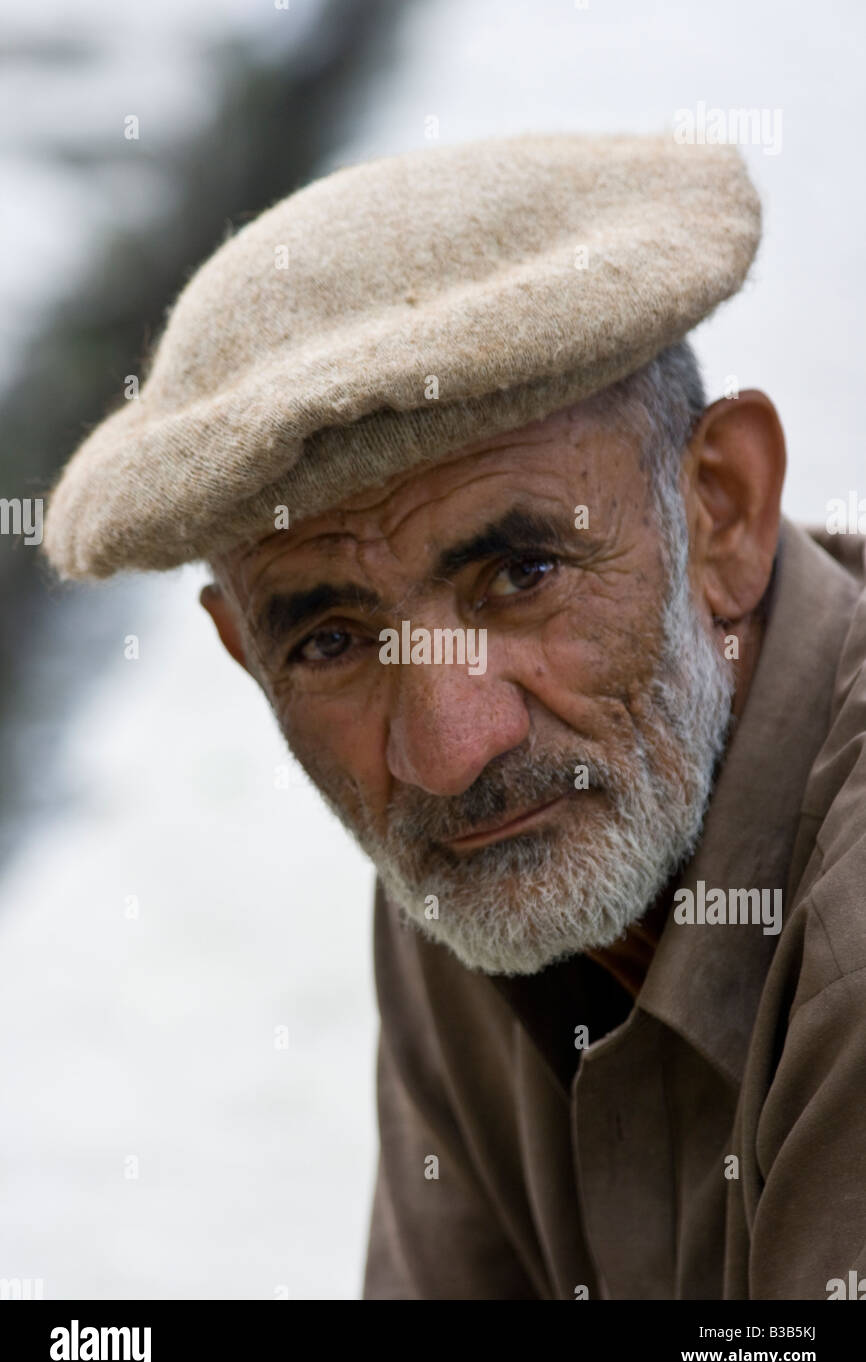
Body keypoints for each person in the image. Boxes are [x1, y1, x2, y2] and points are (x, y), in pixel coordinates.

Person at [44, 132, 866, 1300]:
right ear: (247, 658)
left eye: (523, 574)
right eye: (330, 643)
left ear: (722, 510)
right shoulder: (485, 858)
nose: (447, 748)